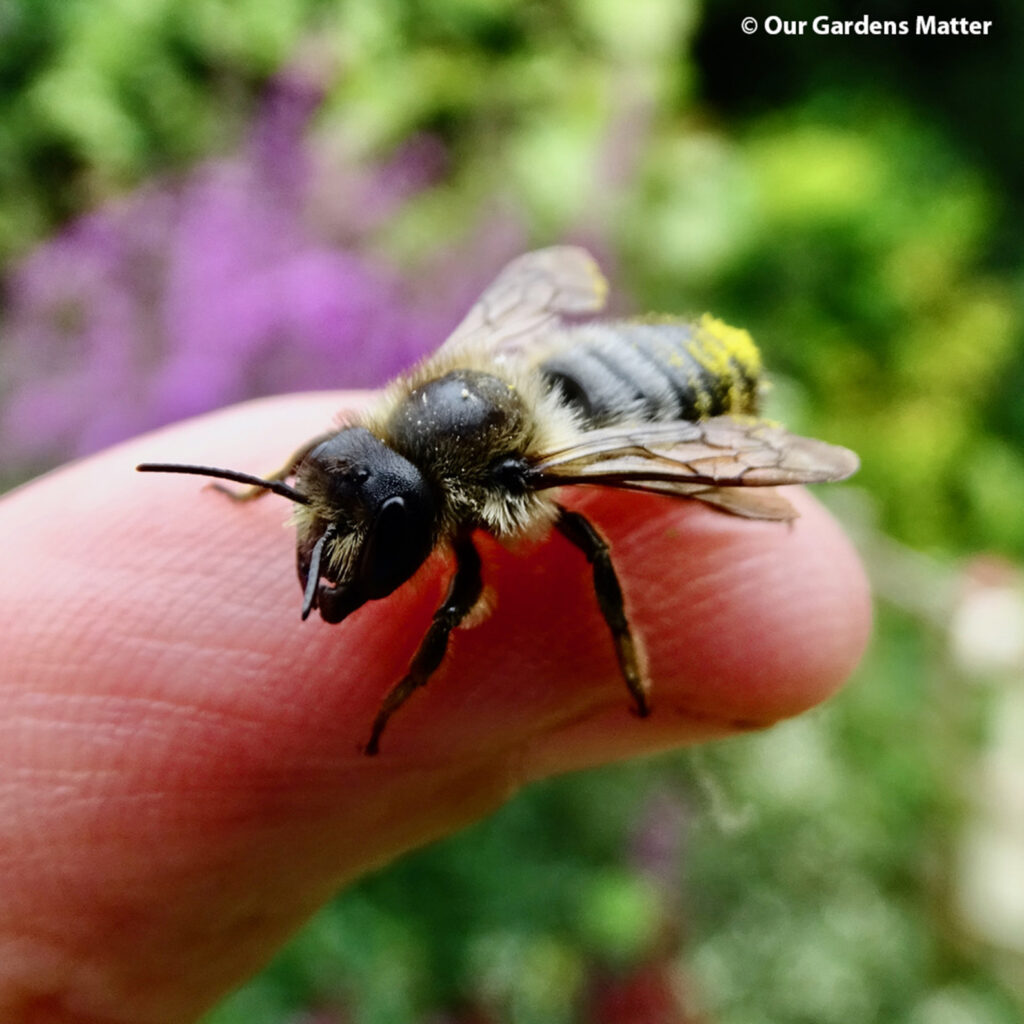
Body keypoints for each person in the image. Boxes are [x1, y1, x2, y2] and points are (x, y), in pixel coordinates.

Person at [0, 391, 871, 1024]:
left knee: (559, 561)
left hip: (673, 389)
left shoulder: (526, 468)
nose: (332, 545)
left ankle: (619, 646)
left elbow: (551, 552)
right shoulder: (400, 450)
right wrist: (262, 488)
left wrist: (402, 697)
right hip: (571, 384)